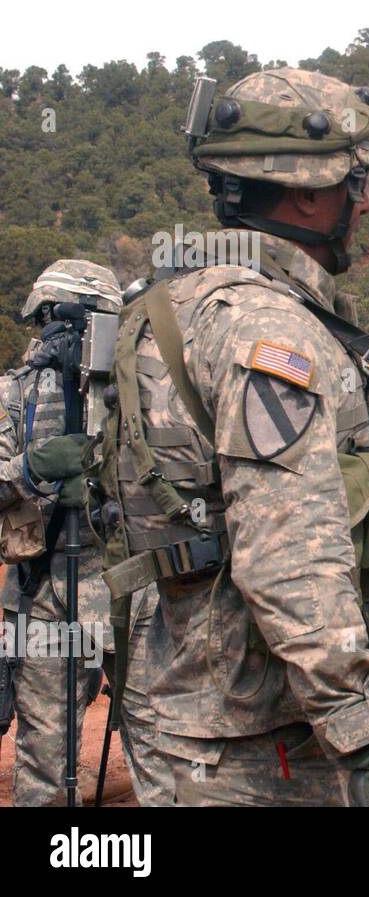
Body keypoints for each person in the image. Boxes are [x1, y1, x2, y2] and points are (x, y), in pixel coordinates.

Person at [100, 68, 369, 806]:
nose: (364, 204)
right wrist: (366, 743)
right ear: (308, 192)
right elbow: (286, 558)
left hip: (192, 713)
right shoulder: (267, 328)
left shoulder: (173, 305)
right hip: (269, 741)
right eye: (357, 183)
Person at [0, 261, 170, 806]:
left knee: (161, 742)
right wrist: (31, 468)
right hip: (48, 587)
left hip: (137, 590)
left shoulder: (147, 392)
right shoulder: (15, 395)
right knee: (48, 751)